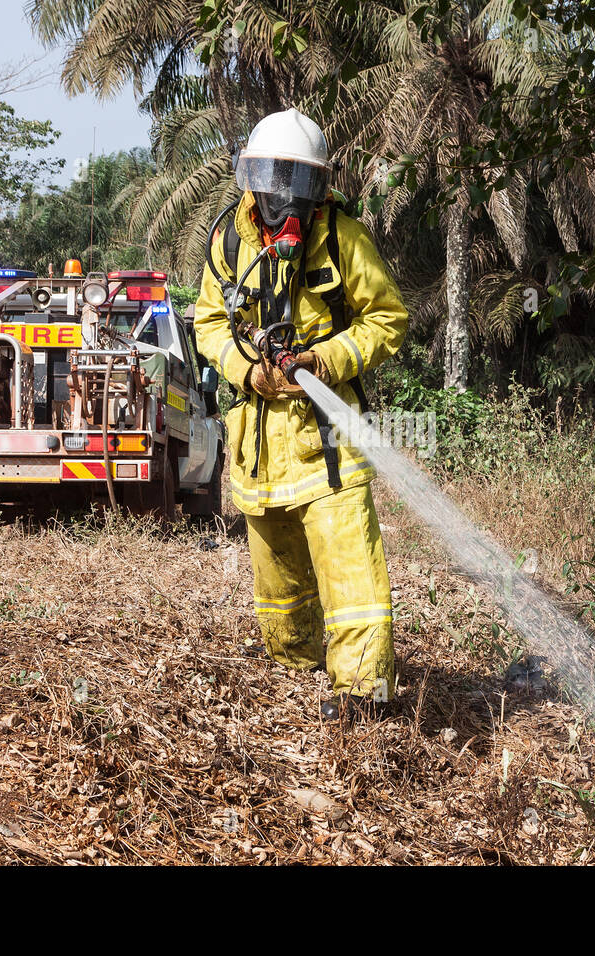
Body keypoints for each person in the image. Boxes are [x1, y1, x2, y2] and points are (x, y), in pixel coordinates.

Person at [193, 108, 409, 720]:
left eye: (295, 180)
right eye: (269, 177)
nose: (280, 194)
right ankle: (295, 668)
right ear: (250, 178)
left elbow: (388, 318)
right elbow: (208, 322)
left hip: (328, 445)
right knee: (279, 587)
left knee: (352, 579)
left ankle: (364, 696)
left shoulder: (343, 237)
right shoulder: (229, 239)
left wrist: (325, 359)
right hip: (260, 449)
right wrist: (248, 371)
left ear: (316, 187)